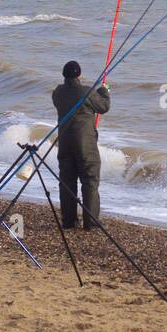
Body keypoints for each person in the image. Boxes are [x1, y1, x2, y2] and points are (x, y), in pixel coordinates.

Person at [51, 60, 111, 229]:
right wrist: (104, 91)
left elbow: (63, 100)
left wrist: (97, 92)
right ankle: (90, 221)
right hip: (86, 146)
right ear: (79, 75)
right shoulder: (86, 92)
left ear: (64, 75)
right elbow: (104, 107)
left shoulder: (58, 92)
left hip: (64, 143)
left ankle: (69, 221)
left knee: (67, 181)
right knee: (90, 180)